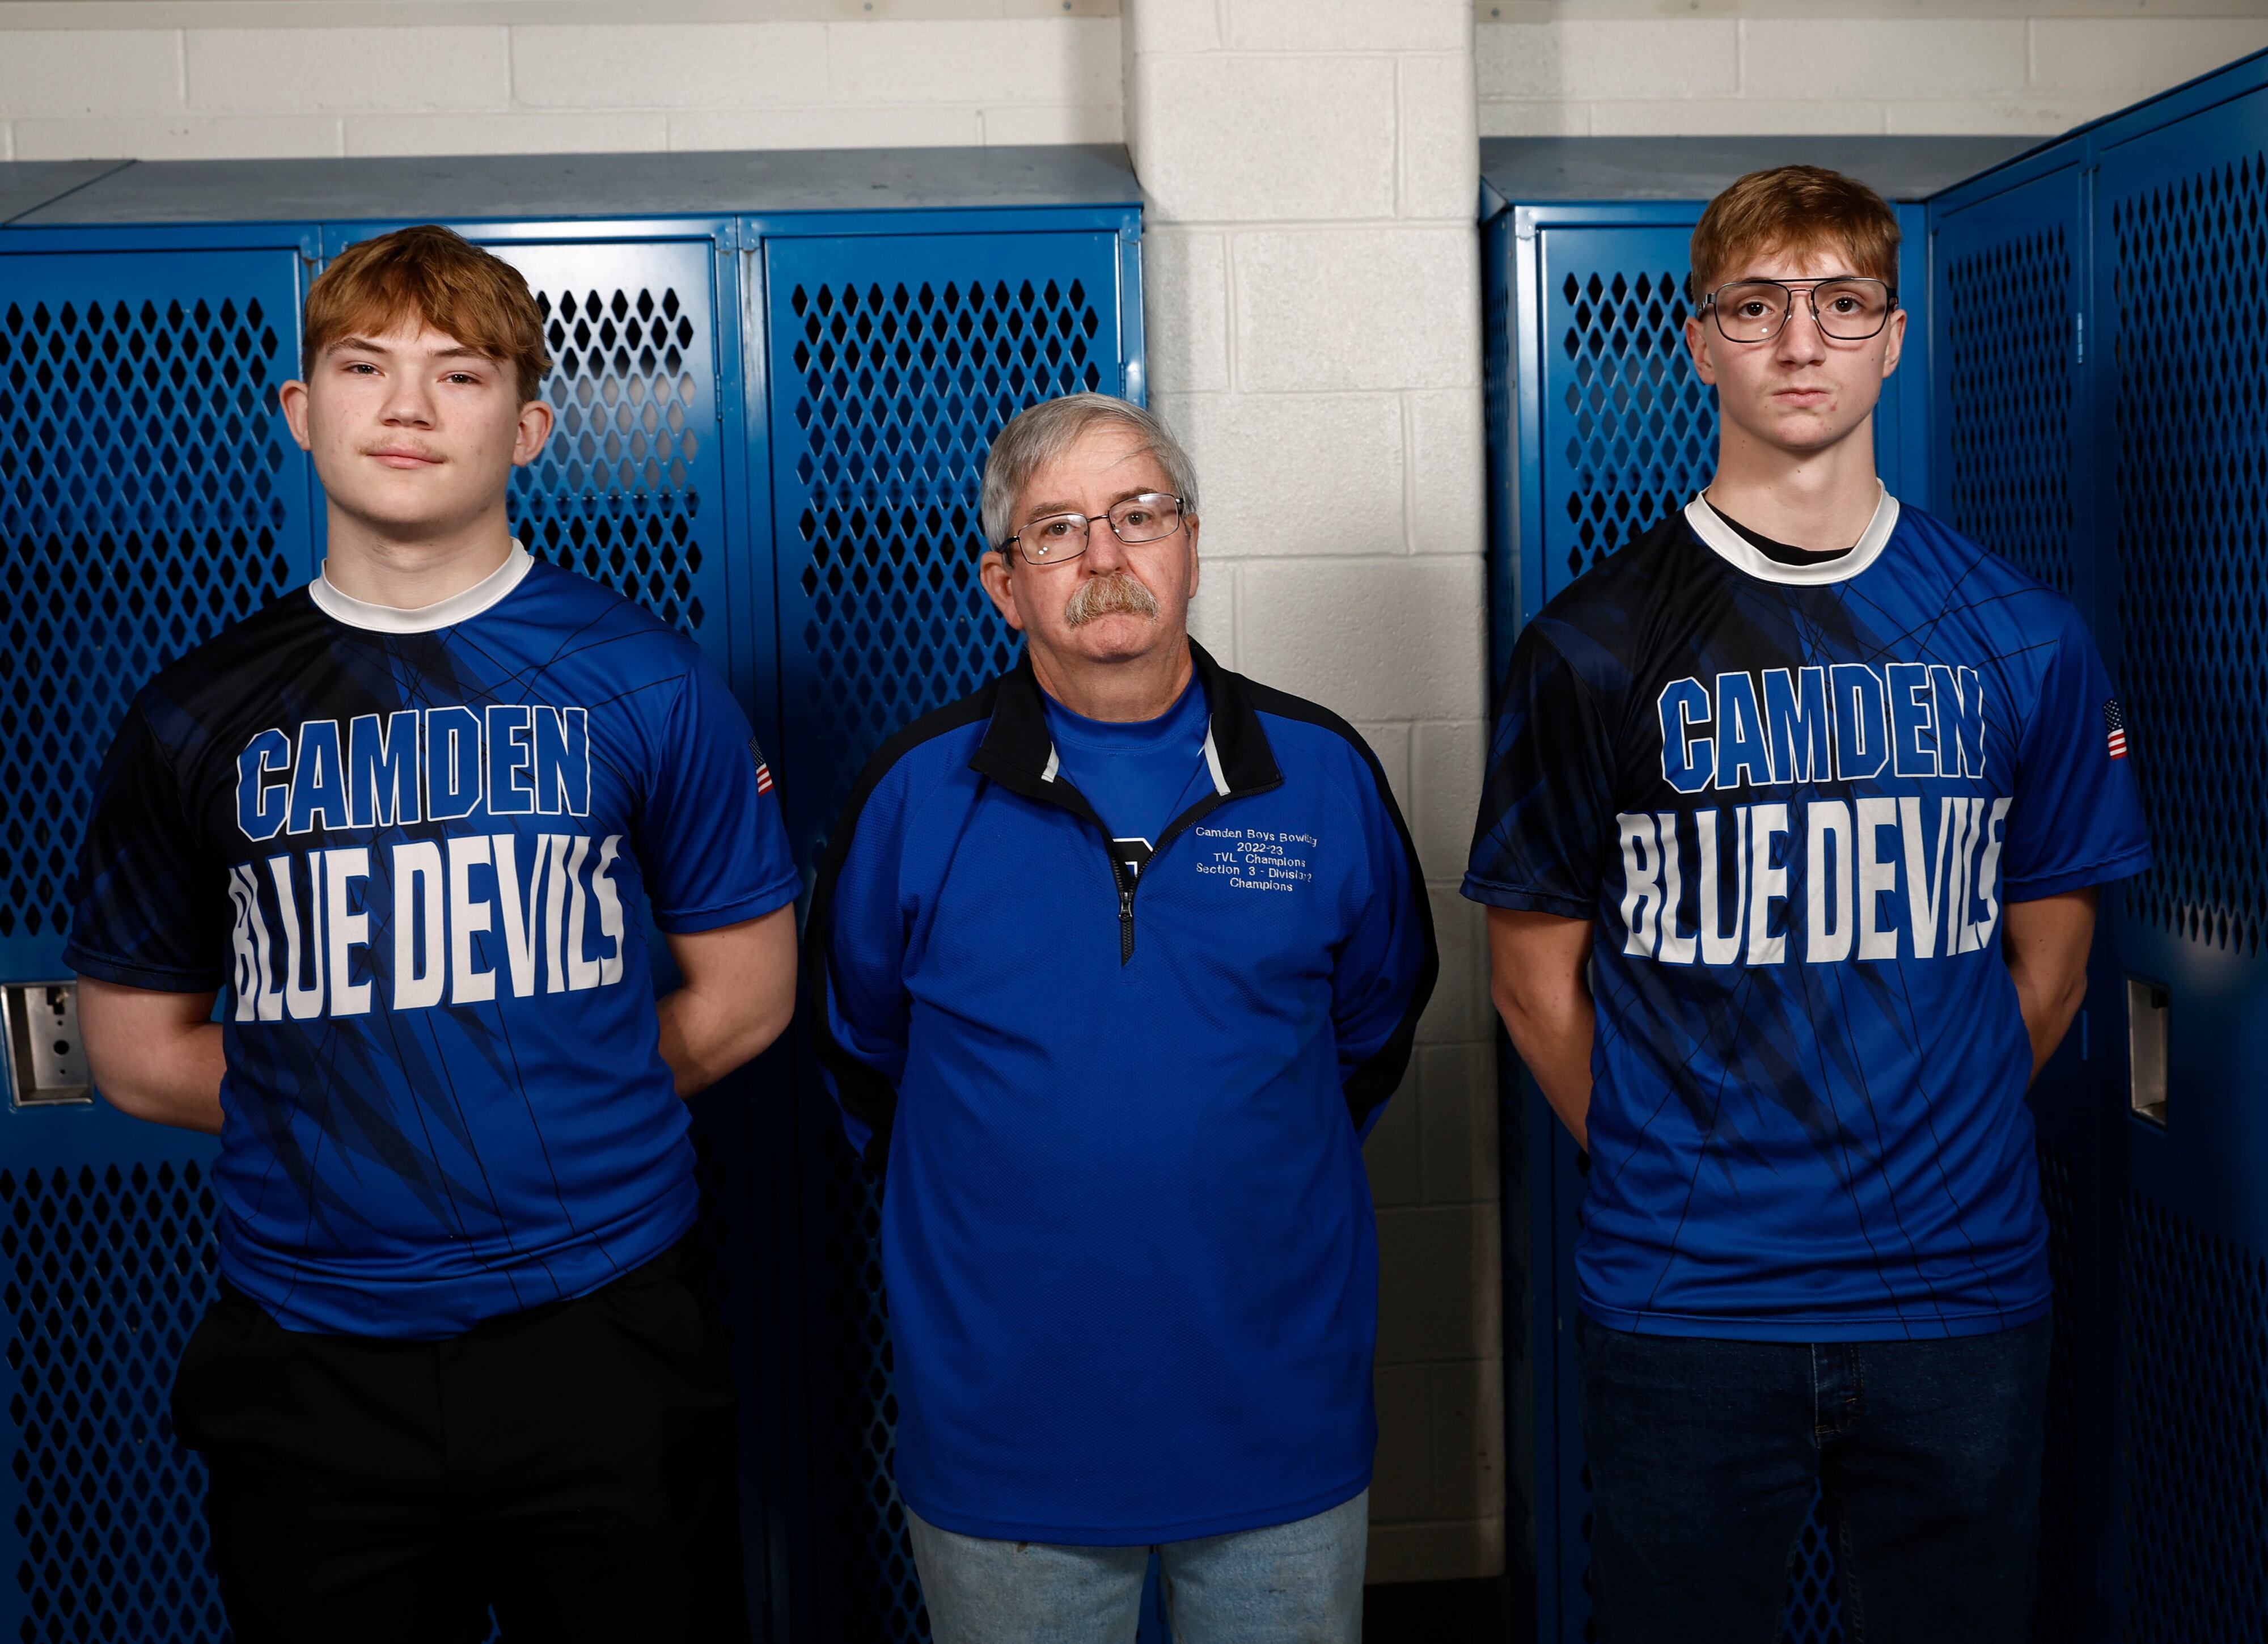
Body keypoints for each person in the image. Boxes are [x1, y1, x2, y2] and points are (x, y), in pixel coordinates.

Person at [65, 224, 801, 1643]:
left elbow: (749, 996)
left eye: (458, 375)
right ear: (301, 410)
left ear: (527, 428)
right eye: (364, 367)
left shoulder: (643, 679)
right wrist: (374, 1106)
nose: (406, 407)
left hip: (602, 1330)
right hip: (310, 1358)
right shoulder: (193, 712)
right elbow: (139, 1051)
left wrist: (551, 1087)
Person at [1465, 166, 2149, 1642]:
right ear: (1697, 341)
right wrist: (1671, 1157)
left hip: (1958, 1294)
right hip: (1687, 1300)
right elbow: (1530, 980)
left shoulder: (2023, 637)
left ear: (1893, 338)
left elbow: (2050, 964)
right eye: (1755, 306)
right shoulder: (1589, 645)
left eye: (1841, 303)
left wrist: (1927, 1138)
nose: (1798, 341)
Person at [806, 393, 1436, 1643]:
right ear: (1004, 585)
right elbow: (860, 1056)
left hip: (1275, 1425)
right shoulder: (915, 795)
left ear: (1190, 545)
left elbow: (1372, 1033)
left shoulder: (1321, 775)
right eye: (1057, 529)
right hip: (1008, 1442)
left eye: (1140, 514)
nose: (1105, 553)